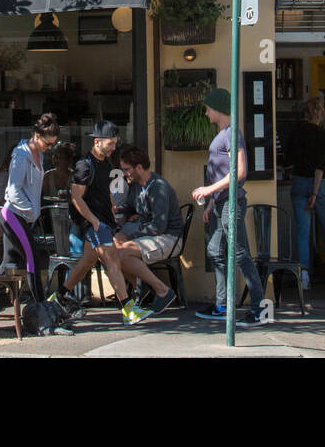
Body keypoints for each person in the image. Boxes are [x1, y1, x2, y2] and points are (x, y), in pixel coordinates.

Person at [49, 122, 153, 325]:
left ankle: (58, 296)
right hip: (95, 224)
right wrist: (94, 221)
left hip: (104, 221)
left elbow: (104, 191)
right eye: (110, 143)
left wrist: (112, 207)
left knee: (87, 261)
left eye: (115, 143)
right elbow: (76, 198)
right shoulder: (84, 166)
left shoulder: (105, 162)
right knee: (113, 261)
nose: (114, 147)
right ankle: (128, 309)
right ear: (97, 142)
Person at [191, 88, 267, 326]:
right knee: (215, 251)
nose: (205, 113)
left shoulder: (232, 134)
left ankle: (259, 310)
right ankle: (223, 305)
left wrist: (208, 191)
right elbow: (224, 173)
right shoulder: (223, 134)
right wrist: (211, 202)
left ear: (219, 109)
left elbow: (239, 172)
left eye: (208, 108)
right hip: (220, 202)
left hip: (231, 203)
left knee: (240, 254)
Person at [111, 145, 178, 312]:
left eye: (126, 169)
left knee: (122, 252)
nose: (124, 173)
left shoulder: (158, 187)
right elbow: (132, 206)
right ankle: (142, 289)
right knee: (109, 250)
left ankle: (161, 290)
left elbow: (158, 226)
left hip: (168, 237)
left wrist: (131, 232)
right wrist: (117, 209)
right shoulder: (136, 185)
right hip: (147, 233)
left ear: (139, 168)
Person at [0, 113, 58, 302]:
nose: (49, 148)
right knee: (32, 256)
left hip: (24, 216)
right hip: (13, 214)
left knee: (10, 261)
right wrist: (33, 210)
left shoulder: (38, 155)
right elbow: (13, 190)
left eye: (52, 145)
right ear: (37, 136)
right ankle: (40, 303)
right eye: (47, 144)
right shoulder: (20, 155)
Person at [287, 96, 325, 290]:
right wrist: (315, 194)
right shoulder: (324, 136)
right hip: (320, 186)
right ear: (321, 114)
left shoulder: (296, 133)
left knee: (302, 232)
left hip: (299, 182)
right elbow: (320, 166)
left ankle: (305, 275)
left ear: (305, 113)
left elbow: (288, 158)